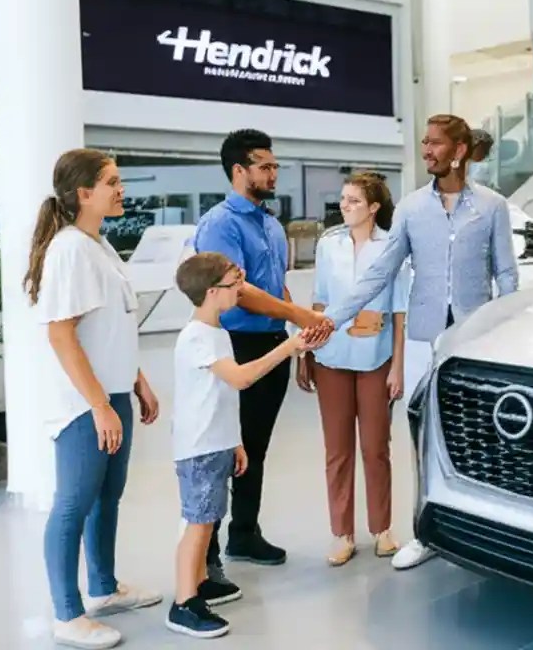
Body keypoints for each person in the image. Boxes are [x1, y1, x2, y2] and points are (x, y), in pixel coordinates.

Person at [323, 114, 520, 570]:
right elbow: (380, 272)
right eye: (424, 142)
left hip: (476, 340)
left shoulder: (491, 207)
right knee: (423, 437)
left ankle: (487, 528)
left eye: (434, 143)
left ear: (459, 151)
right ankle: (425, 532)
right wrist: (333, 318)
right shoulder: (412, 208)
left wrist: (512, 336)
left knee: (479, 436)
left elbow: (506, 275)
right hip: (422, 340)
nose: (426, 150)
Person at [29, 149, 163, 649]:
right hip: (86, 403)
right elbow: (62, 335)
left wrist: (136, 380)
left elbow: (112, 325)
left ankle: (103, 589)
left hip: (113, 392)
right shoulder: (69, 250)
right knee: (73, 503)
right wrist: (100, 405)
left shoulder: (99, 245)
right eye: (111, 182)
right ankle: (67, 613)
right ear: (84, 193)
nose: (120, 189)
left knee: (108, 496)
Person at [193, 129, 333, 580]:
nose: (274, 173)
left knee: (255, 446)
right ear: (240, 170)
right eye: (265, 166)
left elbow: (275, 285)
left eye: (275, 165)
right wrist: (299, 314)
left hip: (273, 342)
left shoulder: (271, 223)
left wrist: (296, 334)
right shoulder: (220, 223)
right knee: (221, 449)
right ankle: (206, 554)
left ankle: (244, 533)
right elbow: (242, 292)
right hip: (235, 346)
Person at [166, 252, 319, 638]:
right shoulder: (198, 337)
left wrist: (234, 442)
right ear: (213, 291)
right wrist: (289, 347)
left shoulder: (216, 332)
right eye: (236, 284)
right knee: (199, 524)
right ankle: (184, 602)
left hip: (216, 443)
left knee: (208, 518)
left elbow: (221, 396)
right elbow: (240, 380)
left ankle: (201, 582)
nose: (242, 291)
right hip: (199, 448)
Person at [296, 173, 408, 567]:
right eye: (343, 199)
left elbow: (399, 311)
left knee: (376, 448)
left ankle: (382, 529)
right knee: (337, 450)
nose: (345, 206)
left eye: (354, 201)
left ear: (374, 207)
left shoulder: (392, 246)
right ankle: (341, 532)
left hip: (376, 358)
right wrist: (304, 354)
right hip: (331, 357)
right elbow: (319, 302)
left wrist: (398, 365)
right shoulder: (329, 245)